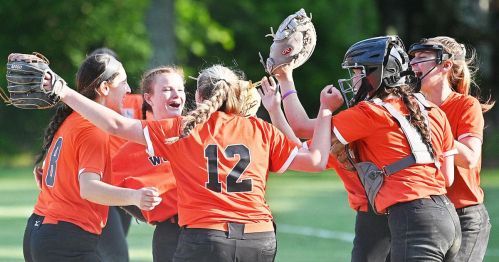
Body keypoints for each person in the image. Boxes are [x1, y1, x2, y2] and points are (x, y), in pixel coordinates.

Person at [40, 60, 338, 261]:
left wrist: (63, 91)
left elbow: (115, 126)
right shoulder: (260, 128)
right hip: (259, 238)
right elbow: (315, 159)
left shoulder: (183, 129)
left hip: (207, 238)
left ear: (198, 95)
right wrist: (325, 111)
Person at [276, 35, 461, 261]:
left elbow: (302, 127)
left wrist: (323, 106)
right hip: (448, 218)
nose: (353, 79)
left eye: (357, 72)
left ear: (377, 74)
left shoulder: (370, 112)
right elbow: (447, 177)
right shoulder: (432, 110)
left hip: (413, 217)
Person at [22, 53, 162, 262]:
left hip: (41, 231)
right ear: (105, 88)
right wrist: (135, 197)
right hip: (65, 240)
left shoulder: (72, 118)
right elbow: (89, 188)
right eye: (123, 82)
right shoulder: (92, 129)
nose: (129, 89)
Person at [408, 36, 494, 262]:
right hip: (428, 213)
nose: (413, 63)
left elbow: (470, 157)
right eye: (413, 58)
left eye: (422, 57)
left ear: (446, 65)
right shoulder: (410, 106)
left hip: (465, 215)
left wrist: (431, 131)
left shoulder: (466, 105)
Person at [111, 66, 186, 262]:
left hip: (210, 230)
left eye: (180, 89)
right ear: (149, 98)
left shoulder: (200, 132)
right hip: (171, 233)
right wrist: (137, 201)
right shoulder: (136, 144)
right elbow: (103, 182)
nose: (176, 94)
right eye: (167, 89)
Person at [88, 47, 133, 262]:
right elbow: (114, 125)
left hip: (125, 183)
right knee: (116, 255)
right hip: (102, 187)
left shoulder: (134, 100)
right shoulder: (84, 112)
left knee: (110, 250)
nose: (127, 87)